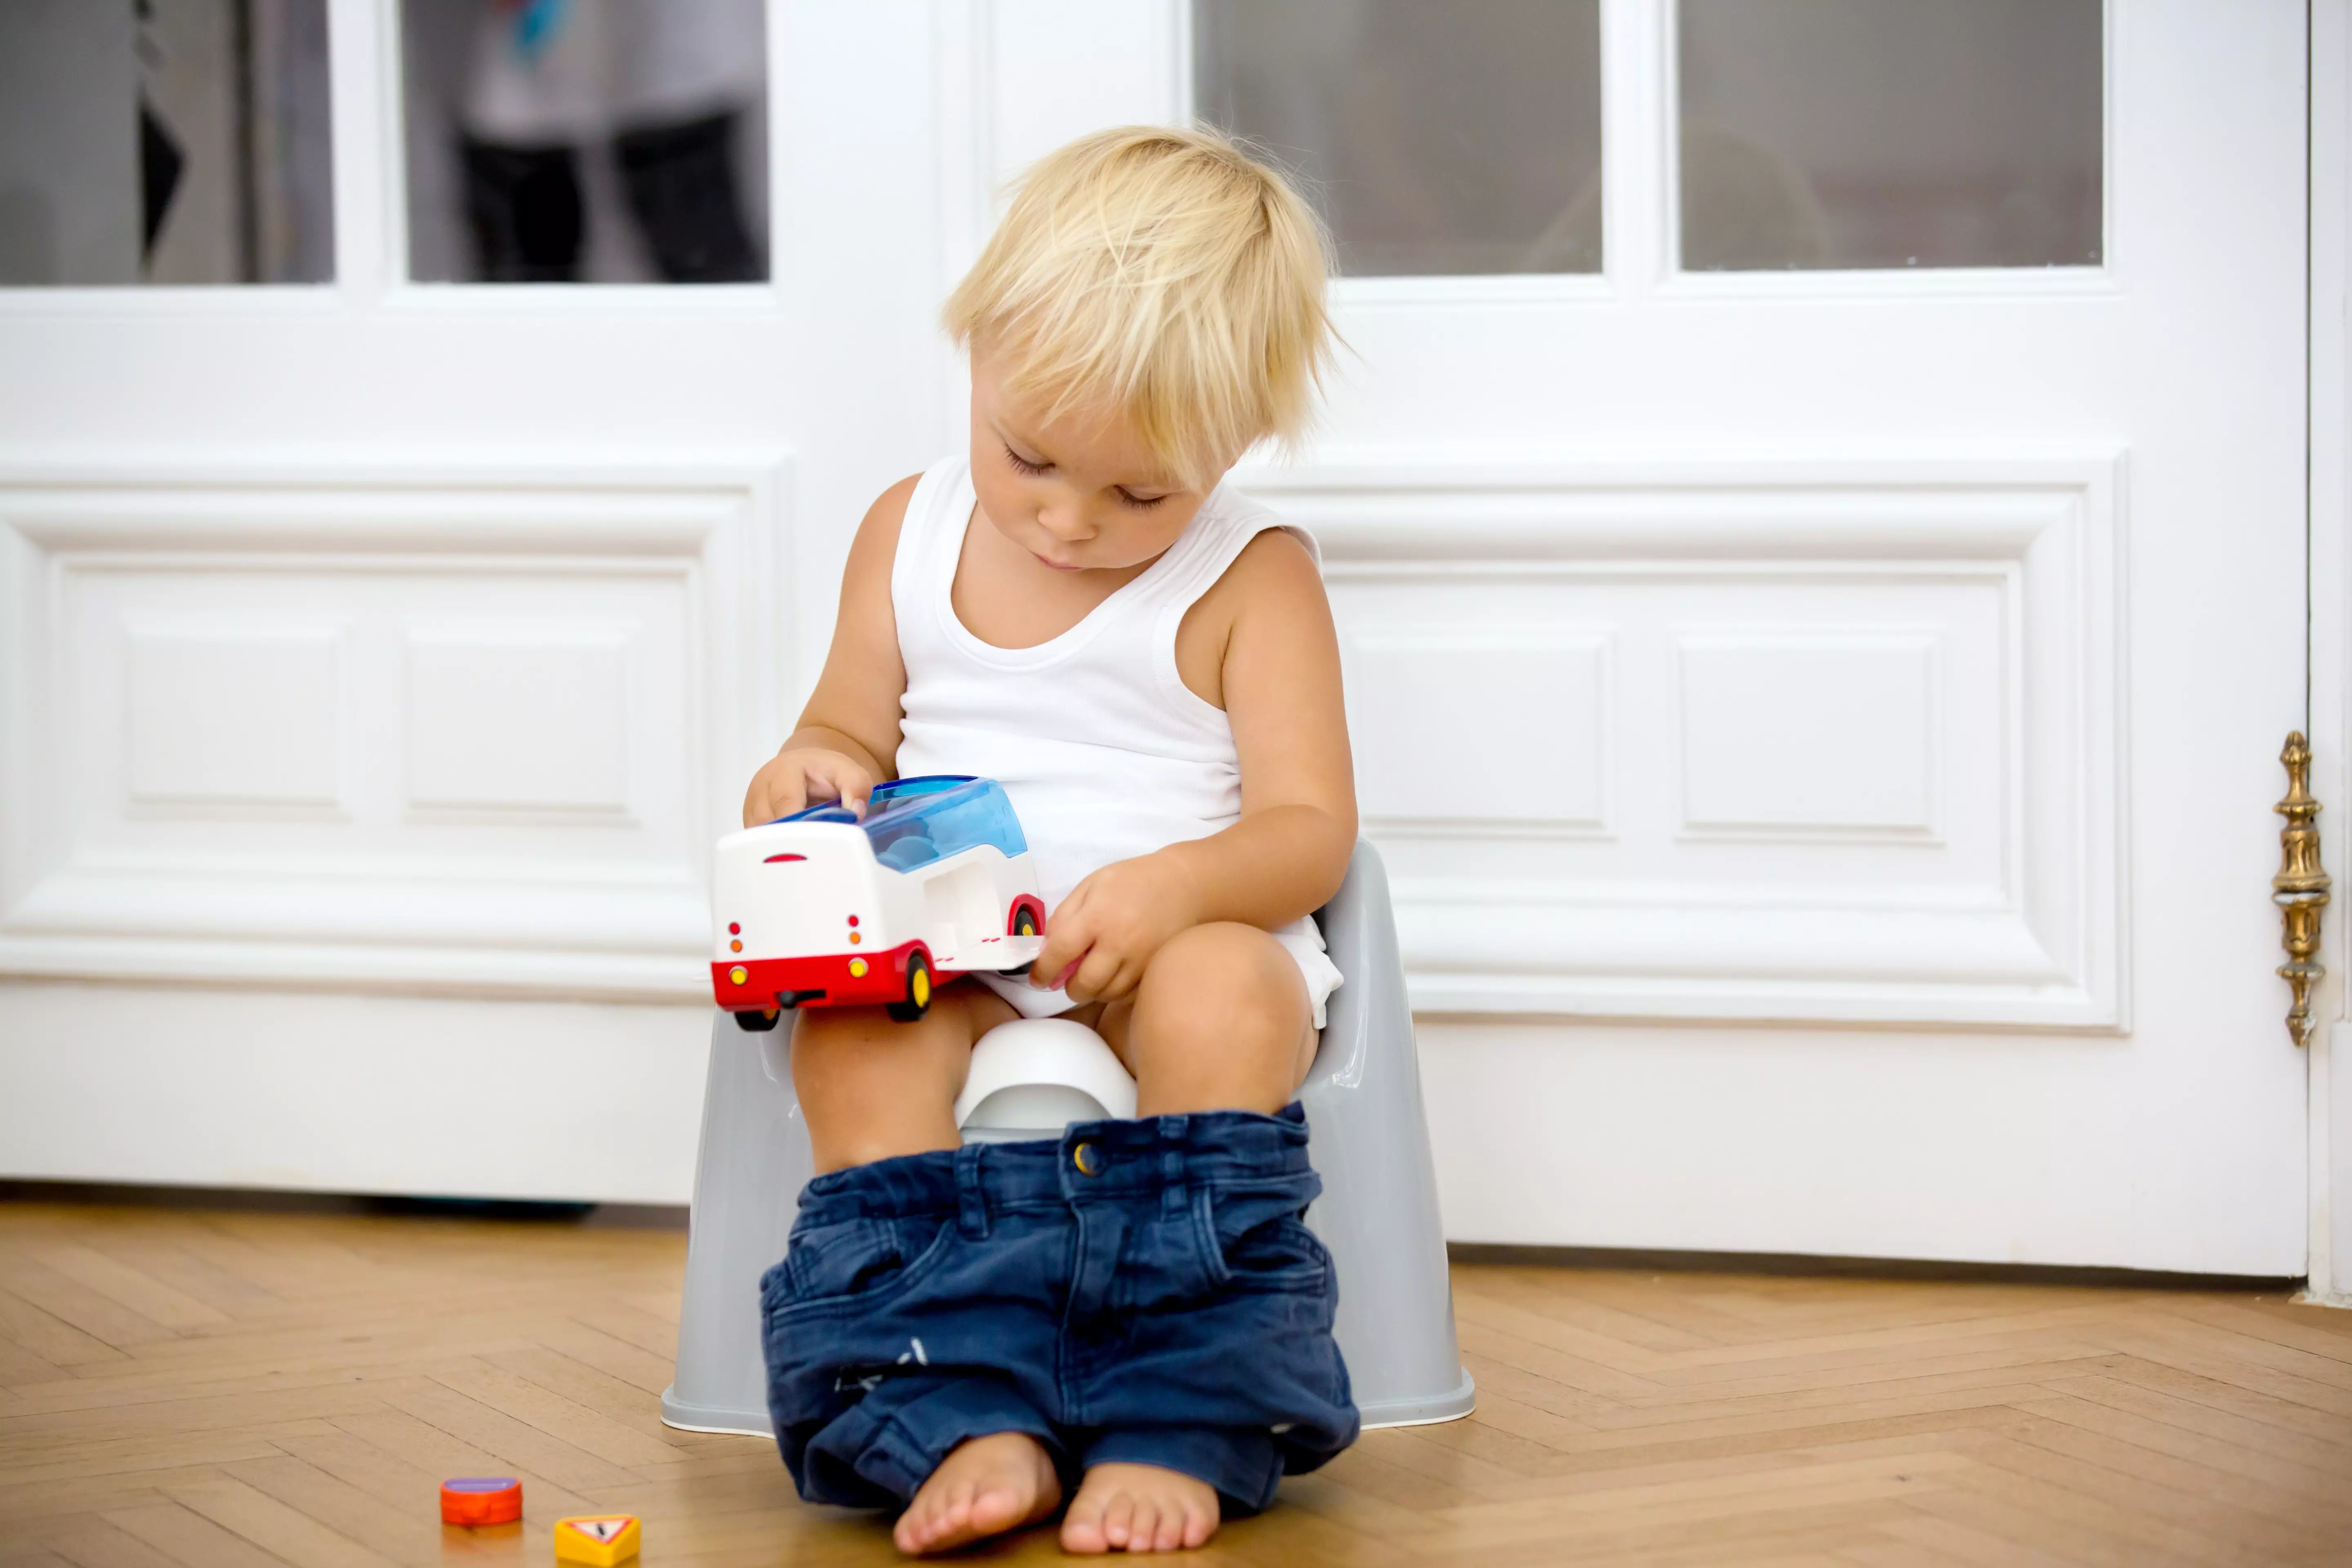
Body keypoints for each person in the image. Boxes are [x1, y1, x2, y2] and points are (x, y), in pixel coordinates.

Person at [742, 125, 1358, 1556]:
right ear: (977, 355)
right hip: (951, 948)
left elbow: (1311, 830)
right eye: (1031, 459)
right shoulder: (908, 532)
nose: (1072, 521)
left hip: (1169, 953)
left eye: (1142, 493)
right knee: (851, 1041)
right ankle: (958, 1402)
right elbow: (846, 728)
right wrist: (808, 776)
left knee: (1232, 988)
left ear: (1235, 445)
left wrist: (1172, 893)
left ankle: (1181, 1411)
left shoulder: (1251, 579)